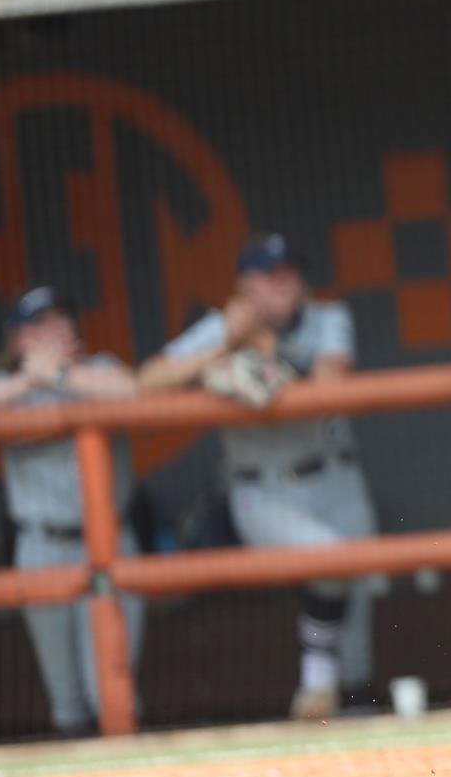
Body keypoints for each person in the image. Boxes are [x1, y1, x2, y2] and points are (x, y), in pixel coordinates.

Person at [139, 233, 378, 720]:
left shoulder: (328, 317)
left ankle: (353, 723)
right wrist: (227, 343)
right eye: (271, 276)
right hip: (263, 486)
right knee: (332, 564)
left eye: (290, 273)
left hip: (336, 477)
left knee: (357, 617)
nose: (284, 284)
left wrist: (267, 349)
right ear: (246, 286)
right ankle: (316, 684)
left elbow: (331, 387)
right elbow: (144, 384)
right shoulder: (219, 328)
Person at [0, 287, 144, 736]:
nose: (53, 329)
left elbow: (134, 393)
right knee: (66, 699)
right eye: (38, 323)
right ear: (16, 341)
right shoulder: (6, 391)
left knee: (107, 686)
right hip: (41, 547)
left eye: (60, 318)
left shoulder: (99, 371)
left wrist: (62, 376)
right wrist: (31, 379)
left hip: (109, 542)